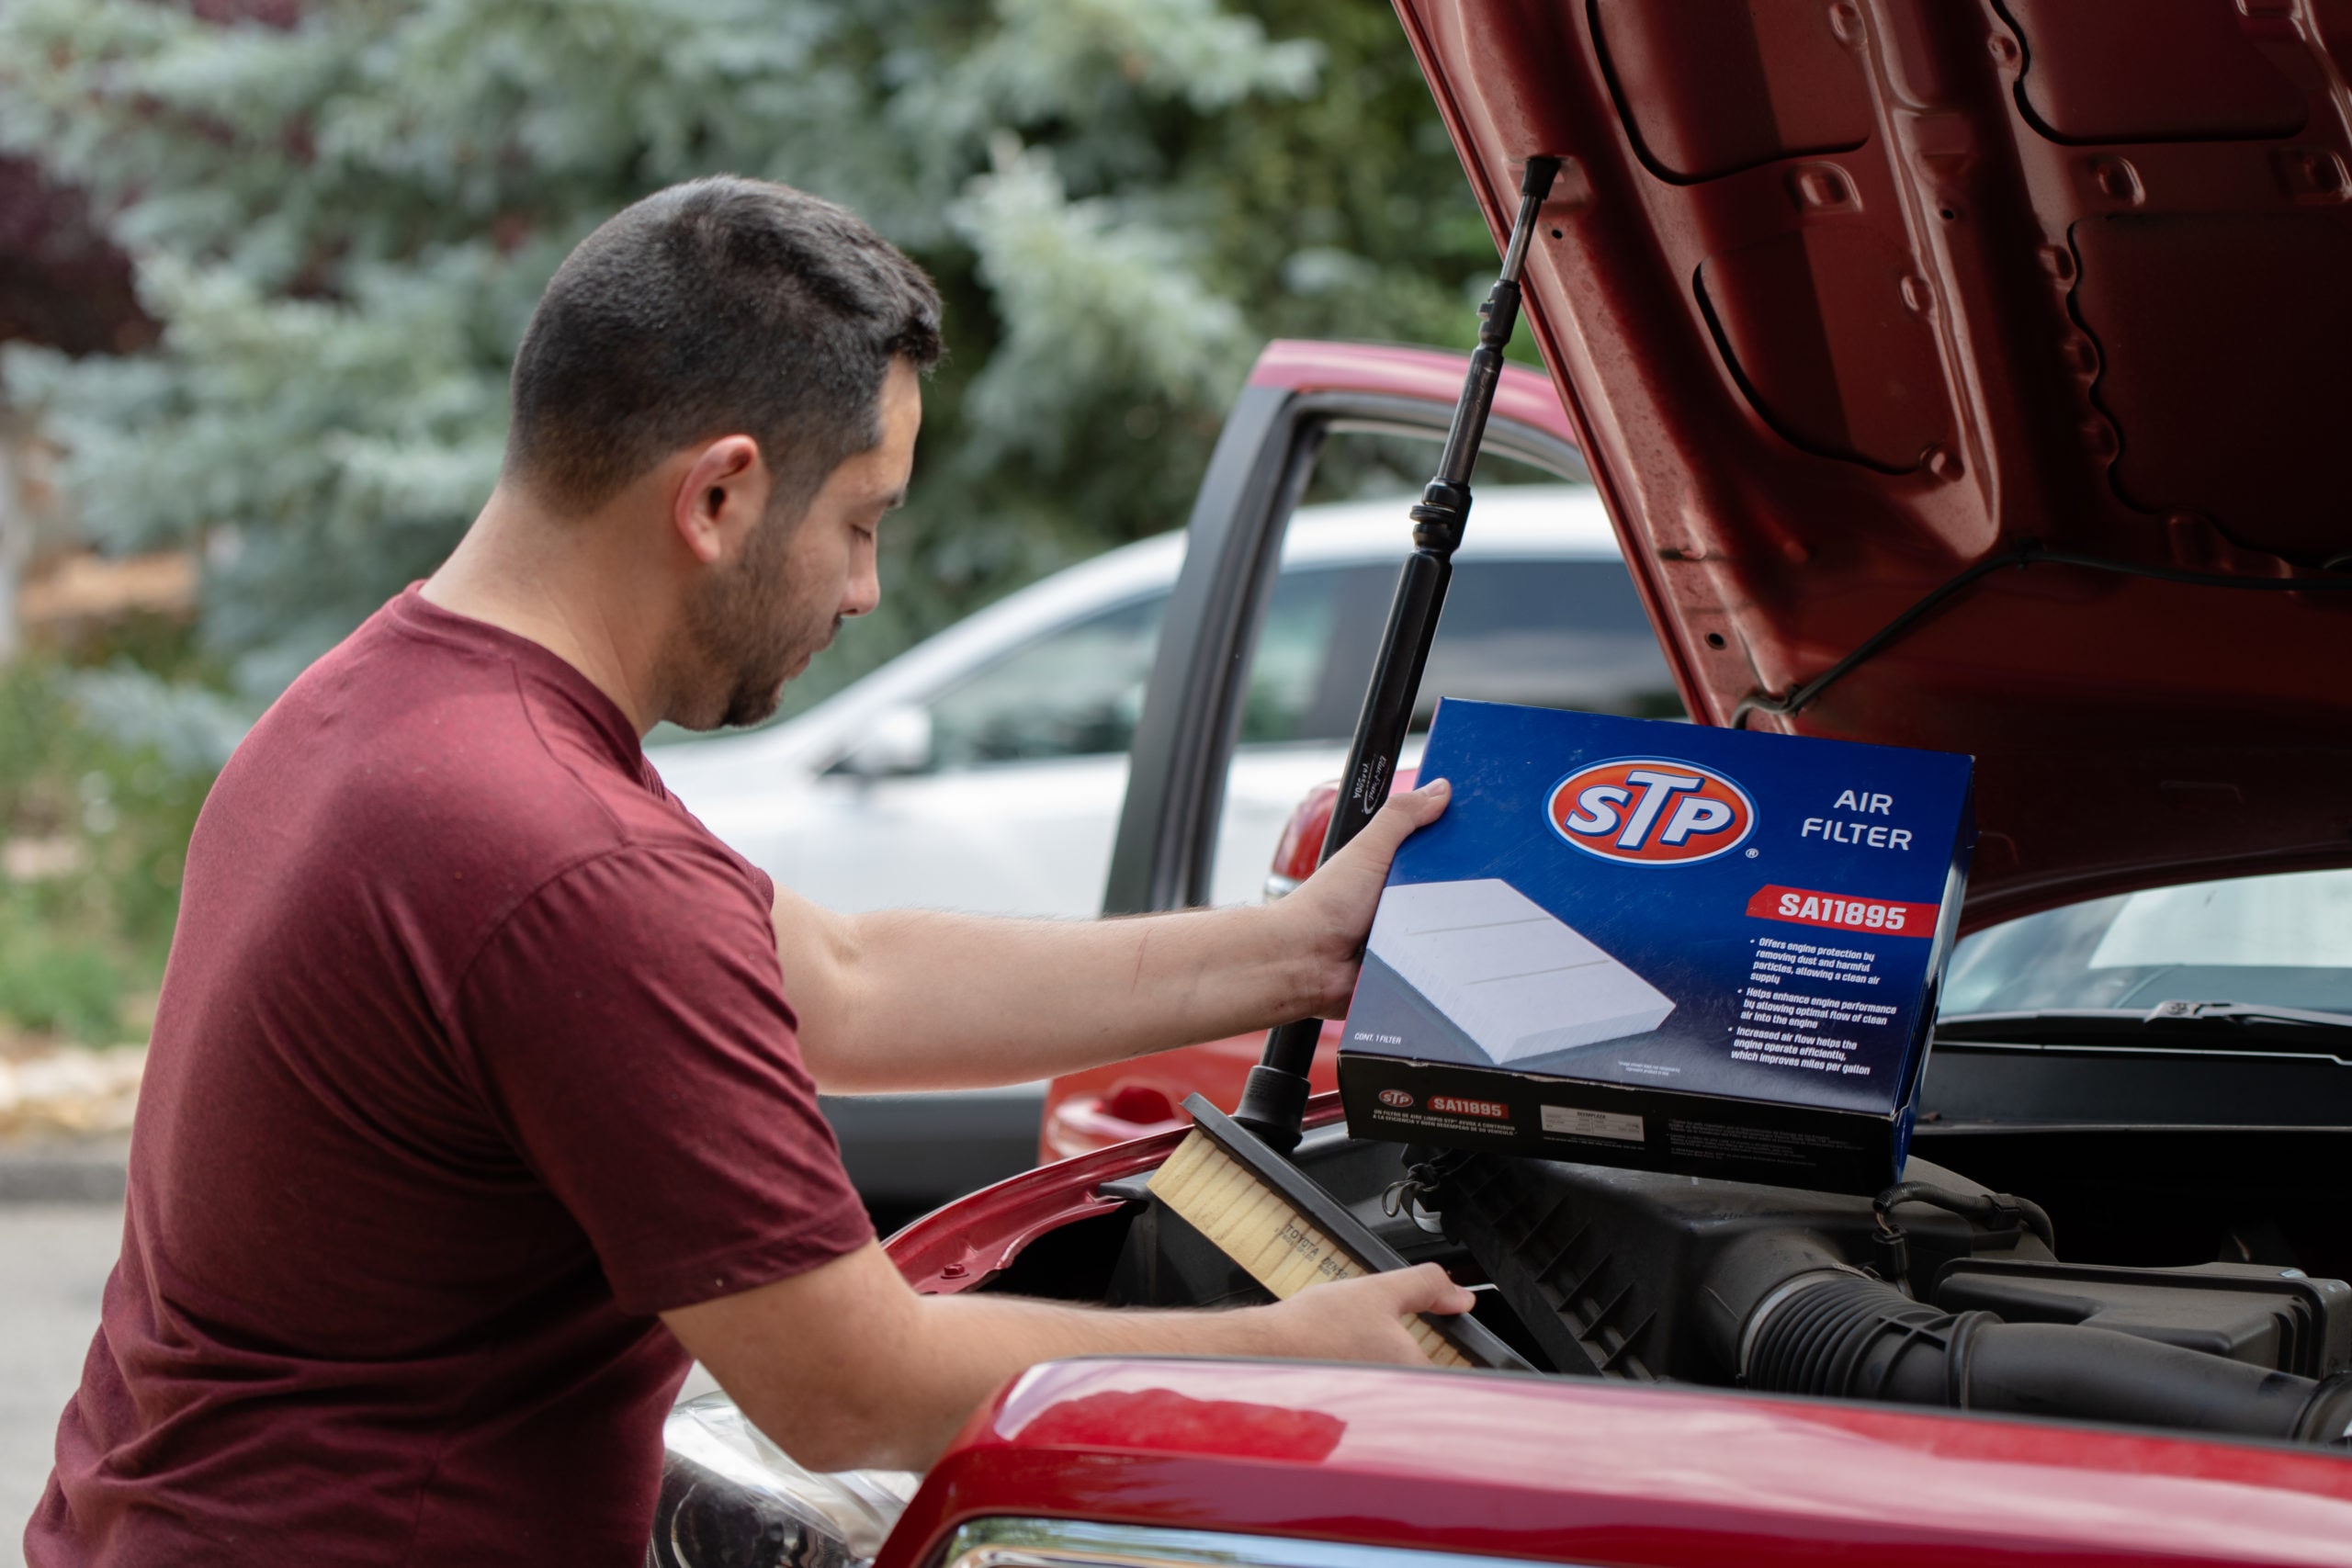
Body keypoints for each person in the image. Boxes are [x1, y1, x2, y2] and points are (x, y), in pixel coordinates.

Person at [29, 176, 1466, 1567]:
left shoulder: (400, 705)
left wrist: (1302, 951)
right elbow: (850, 1386)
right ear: (719, 495)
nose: (865, 589)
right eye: (861, 520)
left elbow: (839, 978)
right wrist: (1298, 1359)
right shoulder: (562, 862)